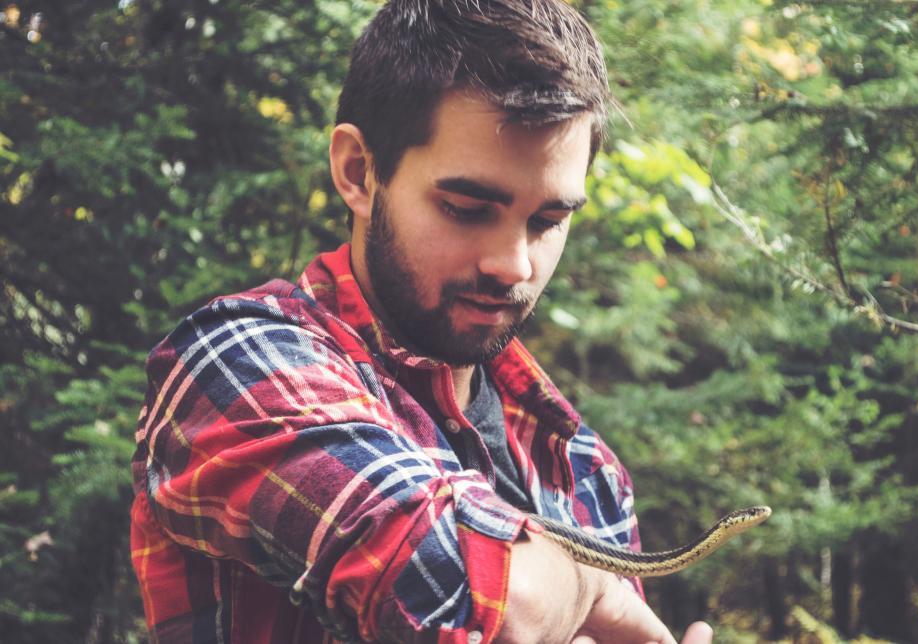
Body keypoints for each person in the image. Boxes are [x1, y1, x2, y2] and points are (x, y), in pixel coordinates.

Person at [130, 1, 714, 642]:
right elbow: (449, 586)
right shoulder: (236, 361)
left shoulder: (584, 472)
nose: (513, 264)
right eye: (467, 208)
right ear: (358, 171)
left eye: (548, 221)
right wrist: (589, 583)